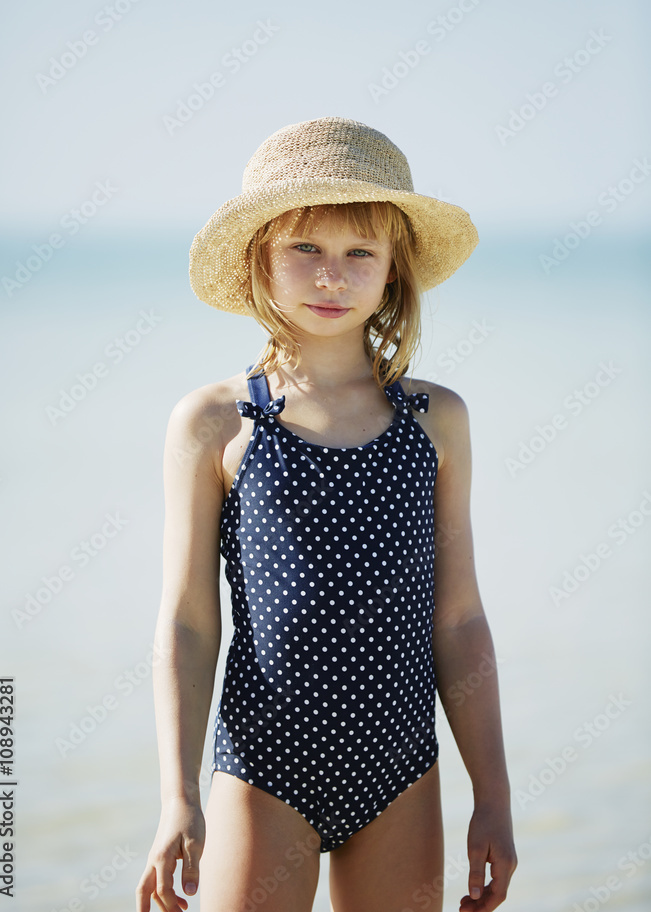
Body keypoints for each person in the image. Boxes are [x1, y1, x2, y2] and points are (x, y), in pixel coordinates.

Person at [136, 116, 517, 912]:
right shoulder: (218, 421)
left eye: (359, 254)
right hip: (264, 766)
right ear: (260, 259)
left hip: (399, 768)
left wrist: (493, 796)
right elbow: (188, 621)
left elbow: (457, 619)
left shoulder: (434, 420)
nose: (330, 276)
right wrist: (178, 795)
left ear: (392, 271)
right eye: (305, 248)